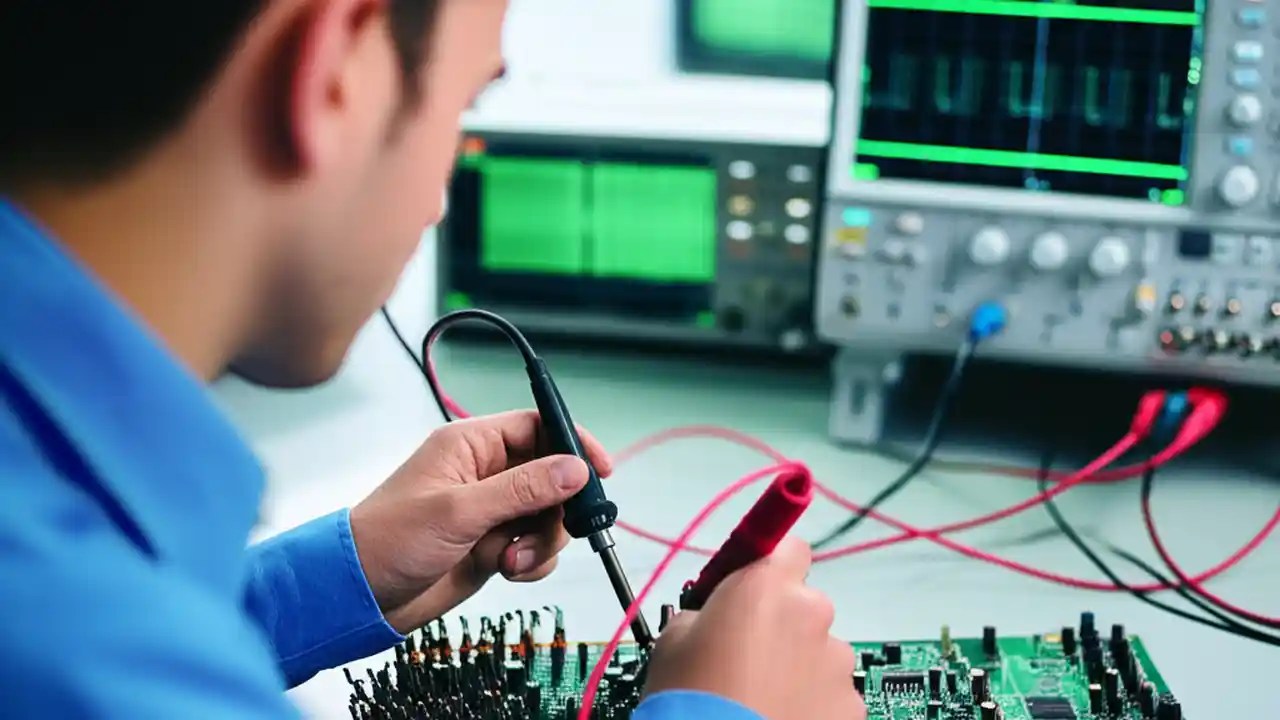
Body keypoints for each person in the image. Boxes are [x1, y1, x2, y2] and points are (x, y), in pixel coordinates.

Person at [0, 2, 865, 718]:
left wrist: (336, 581)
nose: (440, 197)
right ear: (334, 73)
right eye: (463, 107)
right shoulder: (77, 646)